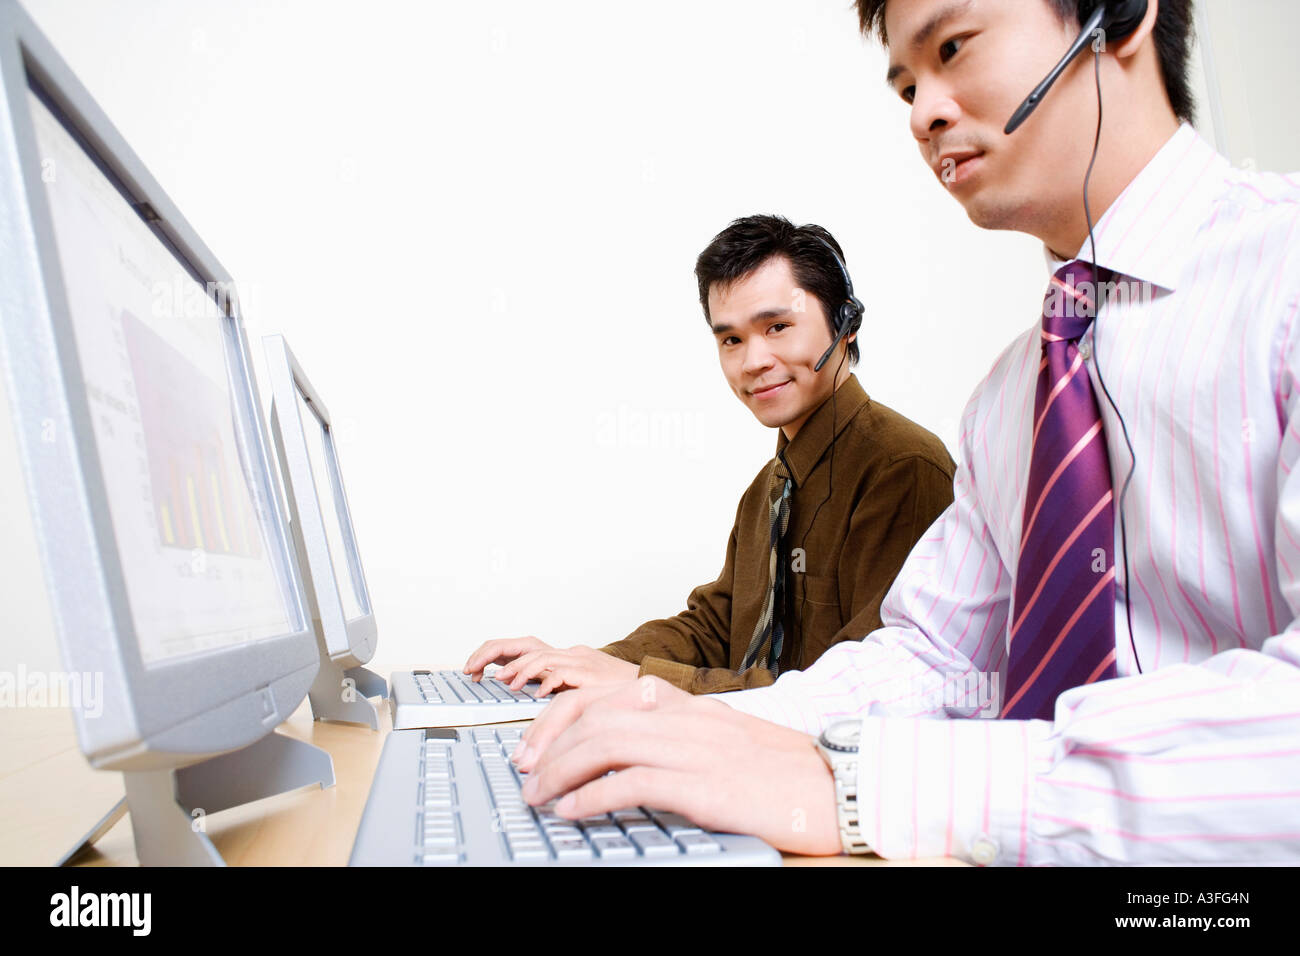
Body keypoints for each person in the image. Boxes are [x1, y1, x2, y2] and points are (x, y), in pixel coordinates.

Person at [509, 0, 1300, 864]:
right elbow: (933, 657)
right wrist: (683, 723)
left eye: (953, 49)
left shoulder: (1282, 279)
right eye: (906, 85)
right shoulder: (1012, 399)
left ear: (1120, 17)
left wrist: (858, 784)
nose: (924, 113)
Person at [464, 215, 956, 696]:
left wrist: (638, 682)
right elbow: (716, 627)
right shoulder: (769, 487)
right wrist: (585, 663)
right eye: (731, 339)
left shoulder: (902, 468)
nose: (753, 360)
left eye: (778, 326)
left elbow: (861, 694)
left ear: (845, 324)